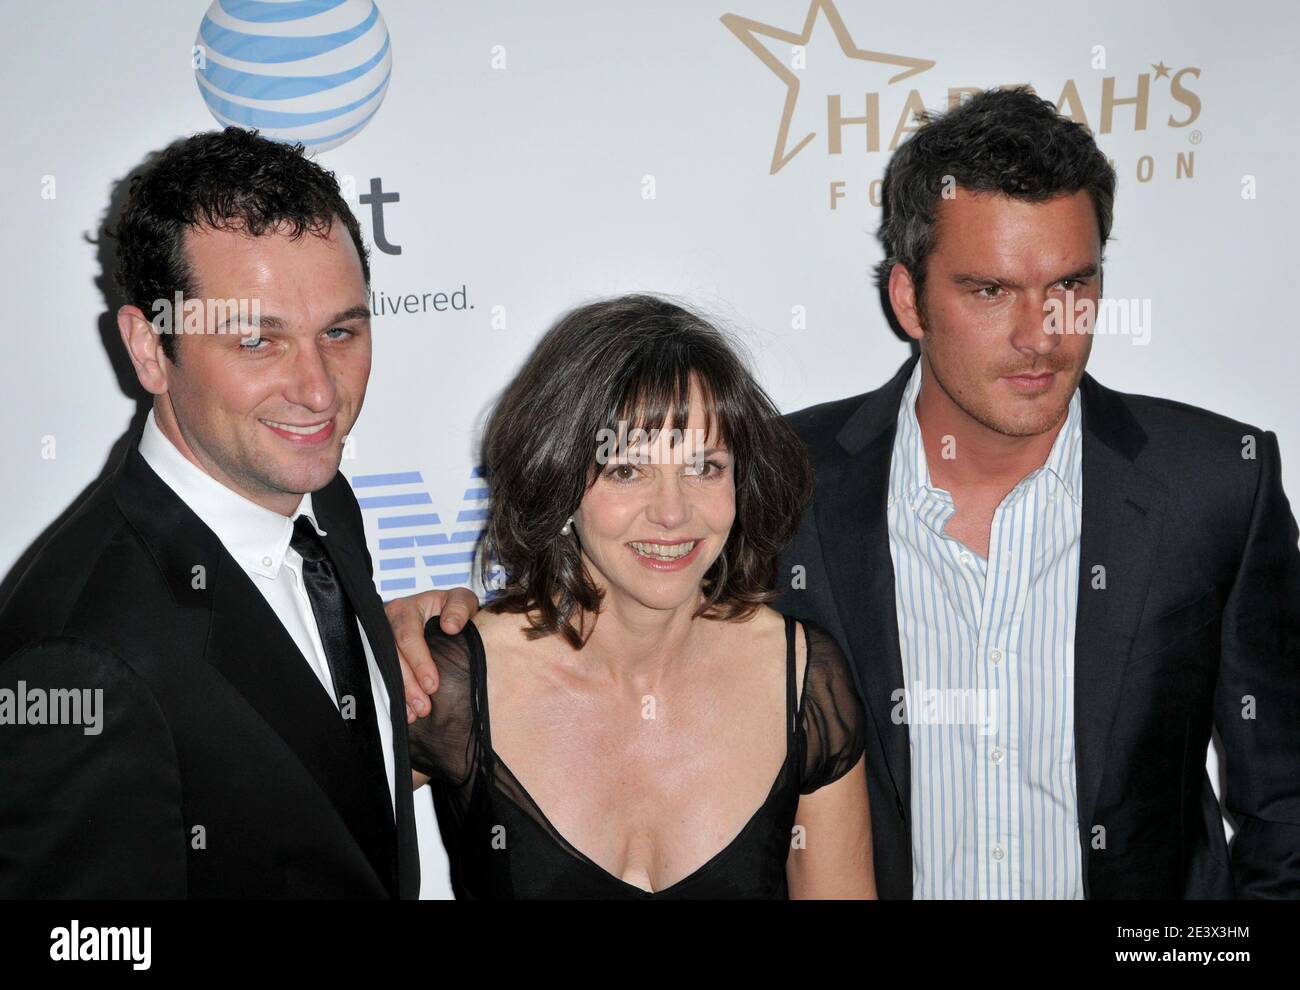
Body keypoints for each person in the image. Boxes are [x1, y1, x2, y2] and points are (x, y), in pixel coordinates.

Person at [395, 88, 1300, 899]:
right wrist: (435, 631)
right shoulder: (777, 479)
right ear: (908, 298)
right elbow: (619, 611)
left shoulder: (1216, 484)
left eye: (1072, 286)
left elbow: (1284, 812)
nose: (1043, 334)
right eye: (990, 291)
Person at [0, 128, 477, 898]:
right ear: (150, 348)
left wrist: (386, 691)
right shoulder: (77, 657)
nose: (319, 391)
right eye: (258, 340)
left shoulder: (321, 502)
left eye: (341, 332)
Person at [405, 295, 874, 898]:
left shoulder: (804, 678)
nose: (673, 513)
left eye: (704, 467)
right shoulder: (451, 681)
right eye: (627, 470)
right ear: (560, 476)